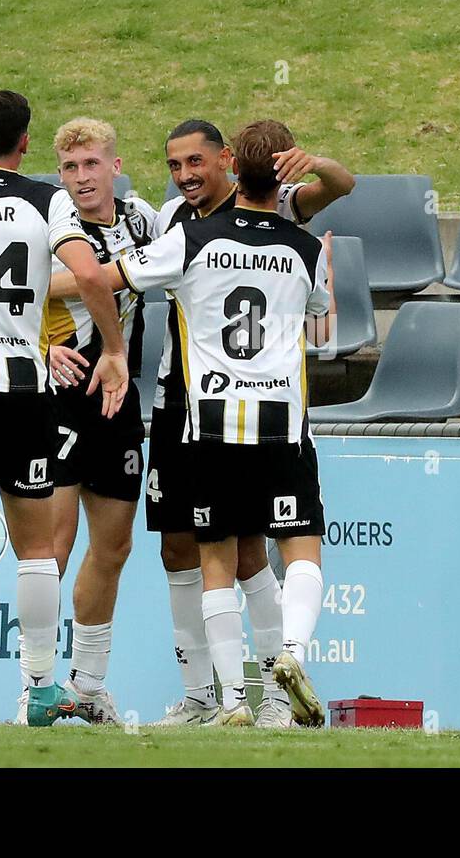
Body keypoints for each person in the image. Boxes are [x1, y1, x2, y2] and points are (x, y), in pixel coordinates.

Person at [105, 119, 337, 726]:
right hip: (273, 418)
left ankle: (238, 699)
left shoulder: (191, 239)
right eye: (175, 165)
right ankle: (274, 666)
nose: (185, 176)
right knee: (277, 549)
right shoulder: (302, 246)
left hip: (207, 417)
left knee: (225, 558)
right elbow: (321, 323)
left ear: (230, 164)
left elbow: (112, 279)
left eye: (195, 163)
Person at [0, 91, 128, 727]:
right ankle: (38, 684)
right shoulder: (47, 200)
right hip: (22, 389)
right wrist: (113, 349)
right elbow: (91, 276)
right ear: (27, 142)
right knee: (36, 548)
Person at [9, 117, 157, 725]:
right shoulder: (48, 224)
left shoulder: (143, 219)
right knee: (55, 545)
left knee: (115, 544)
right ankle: (34, 688)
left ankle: (88, 683)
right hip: (61, 397)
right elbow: (5, 291)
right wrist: (42, 349)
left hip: (118, 401)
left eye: (91, 165)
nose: (80, 178)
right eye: (69, 168)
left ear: (114, 167)